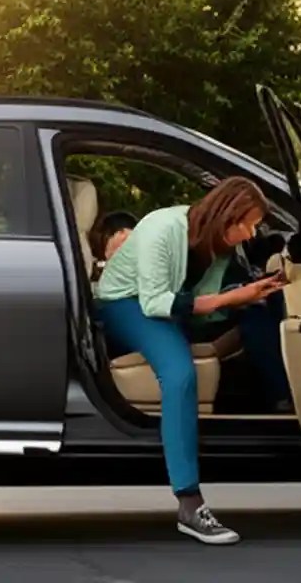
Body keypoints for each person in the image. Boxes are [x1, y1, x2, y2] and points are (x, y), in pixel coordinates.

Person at [94, 177, 287, 545]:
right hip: (127, 303)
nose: (249, 234)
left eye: (254, 226)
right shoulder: (162, 228)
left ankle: (282, 399)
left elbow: (200, 302)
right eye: (245, 223)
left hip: (171, 305)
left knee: (262, 307)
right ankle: (189, 503)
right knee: (180, 374)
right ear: (224, 214)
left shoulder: (220, 248)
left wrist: (248, 294)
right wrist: (229, 299)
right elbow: (155, 303)